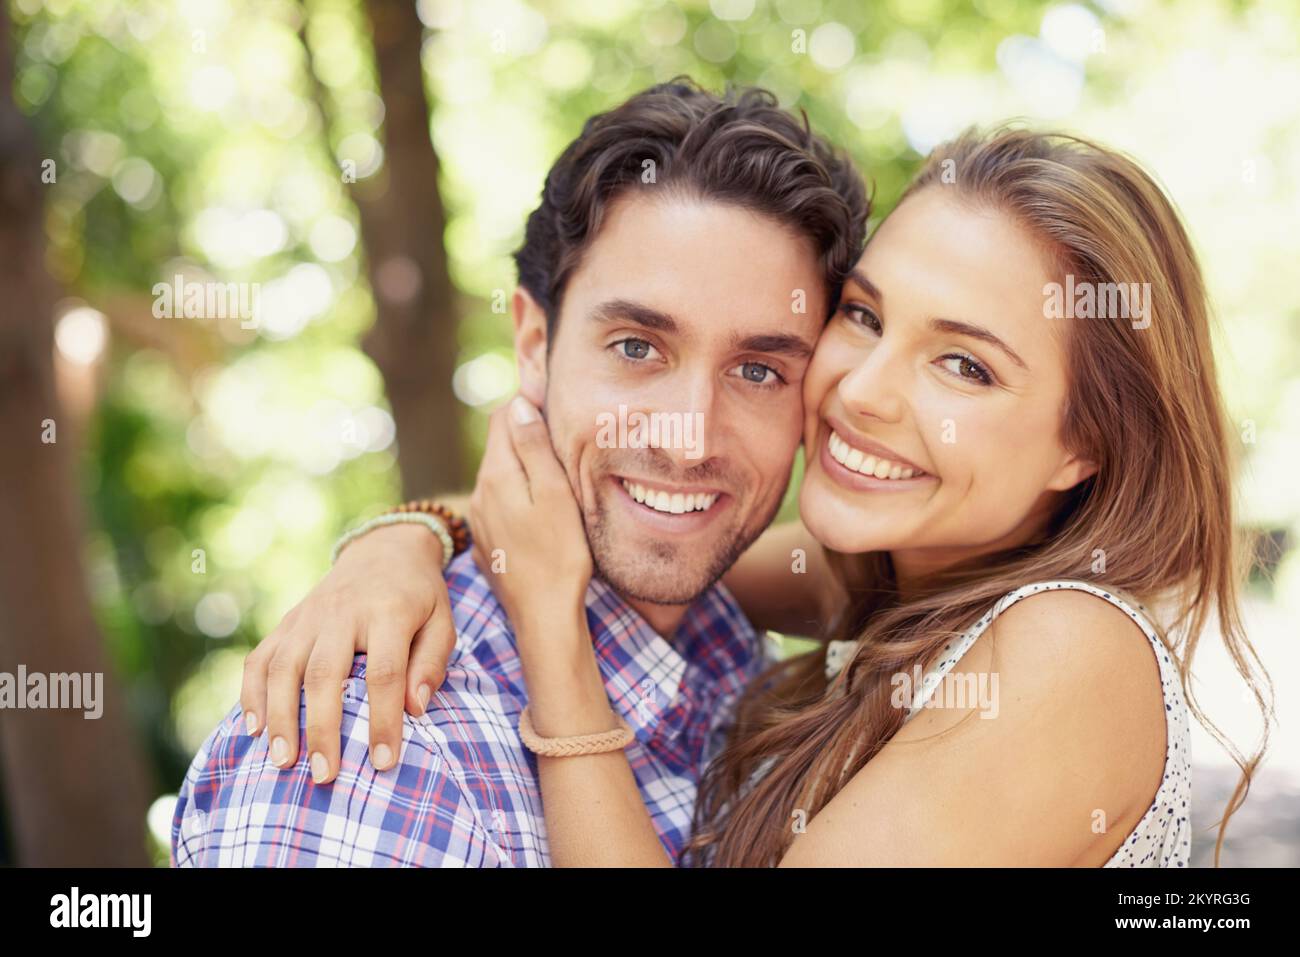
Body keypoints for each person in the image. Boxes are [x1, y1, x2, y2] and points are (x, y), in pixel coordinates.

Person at [228, 127, 1272, 867]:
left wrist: (553, 640)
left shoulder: (1065, 647)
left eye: (964, 366)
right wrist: (398, 541)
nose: (862, 392)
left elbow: (573, 553)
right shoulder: (867, 579)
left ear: (1084, 444)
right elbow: (610, 515)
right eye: (865, 318)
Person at [169, 79, 869, 866]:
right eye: (636, 347)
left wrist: (412, 528)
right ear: (535, 345)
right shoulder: (376, 755)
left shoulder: (751, 667)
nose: (688, 440)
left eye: (759, 370)